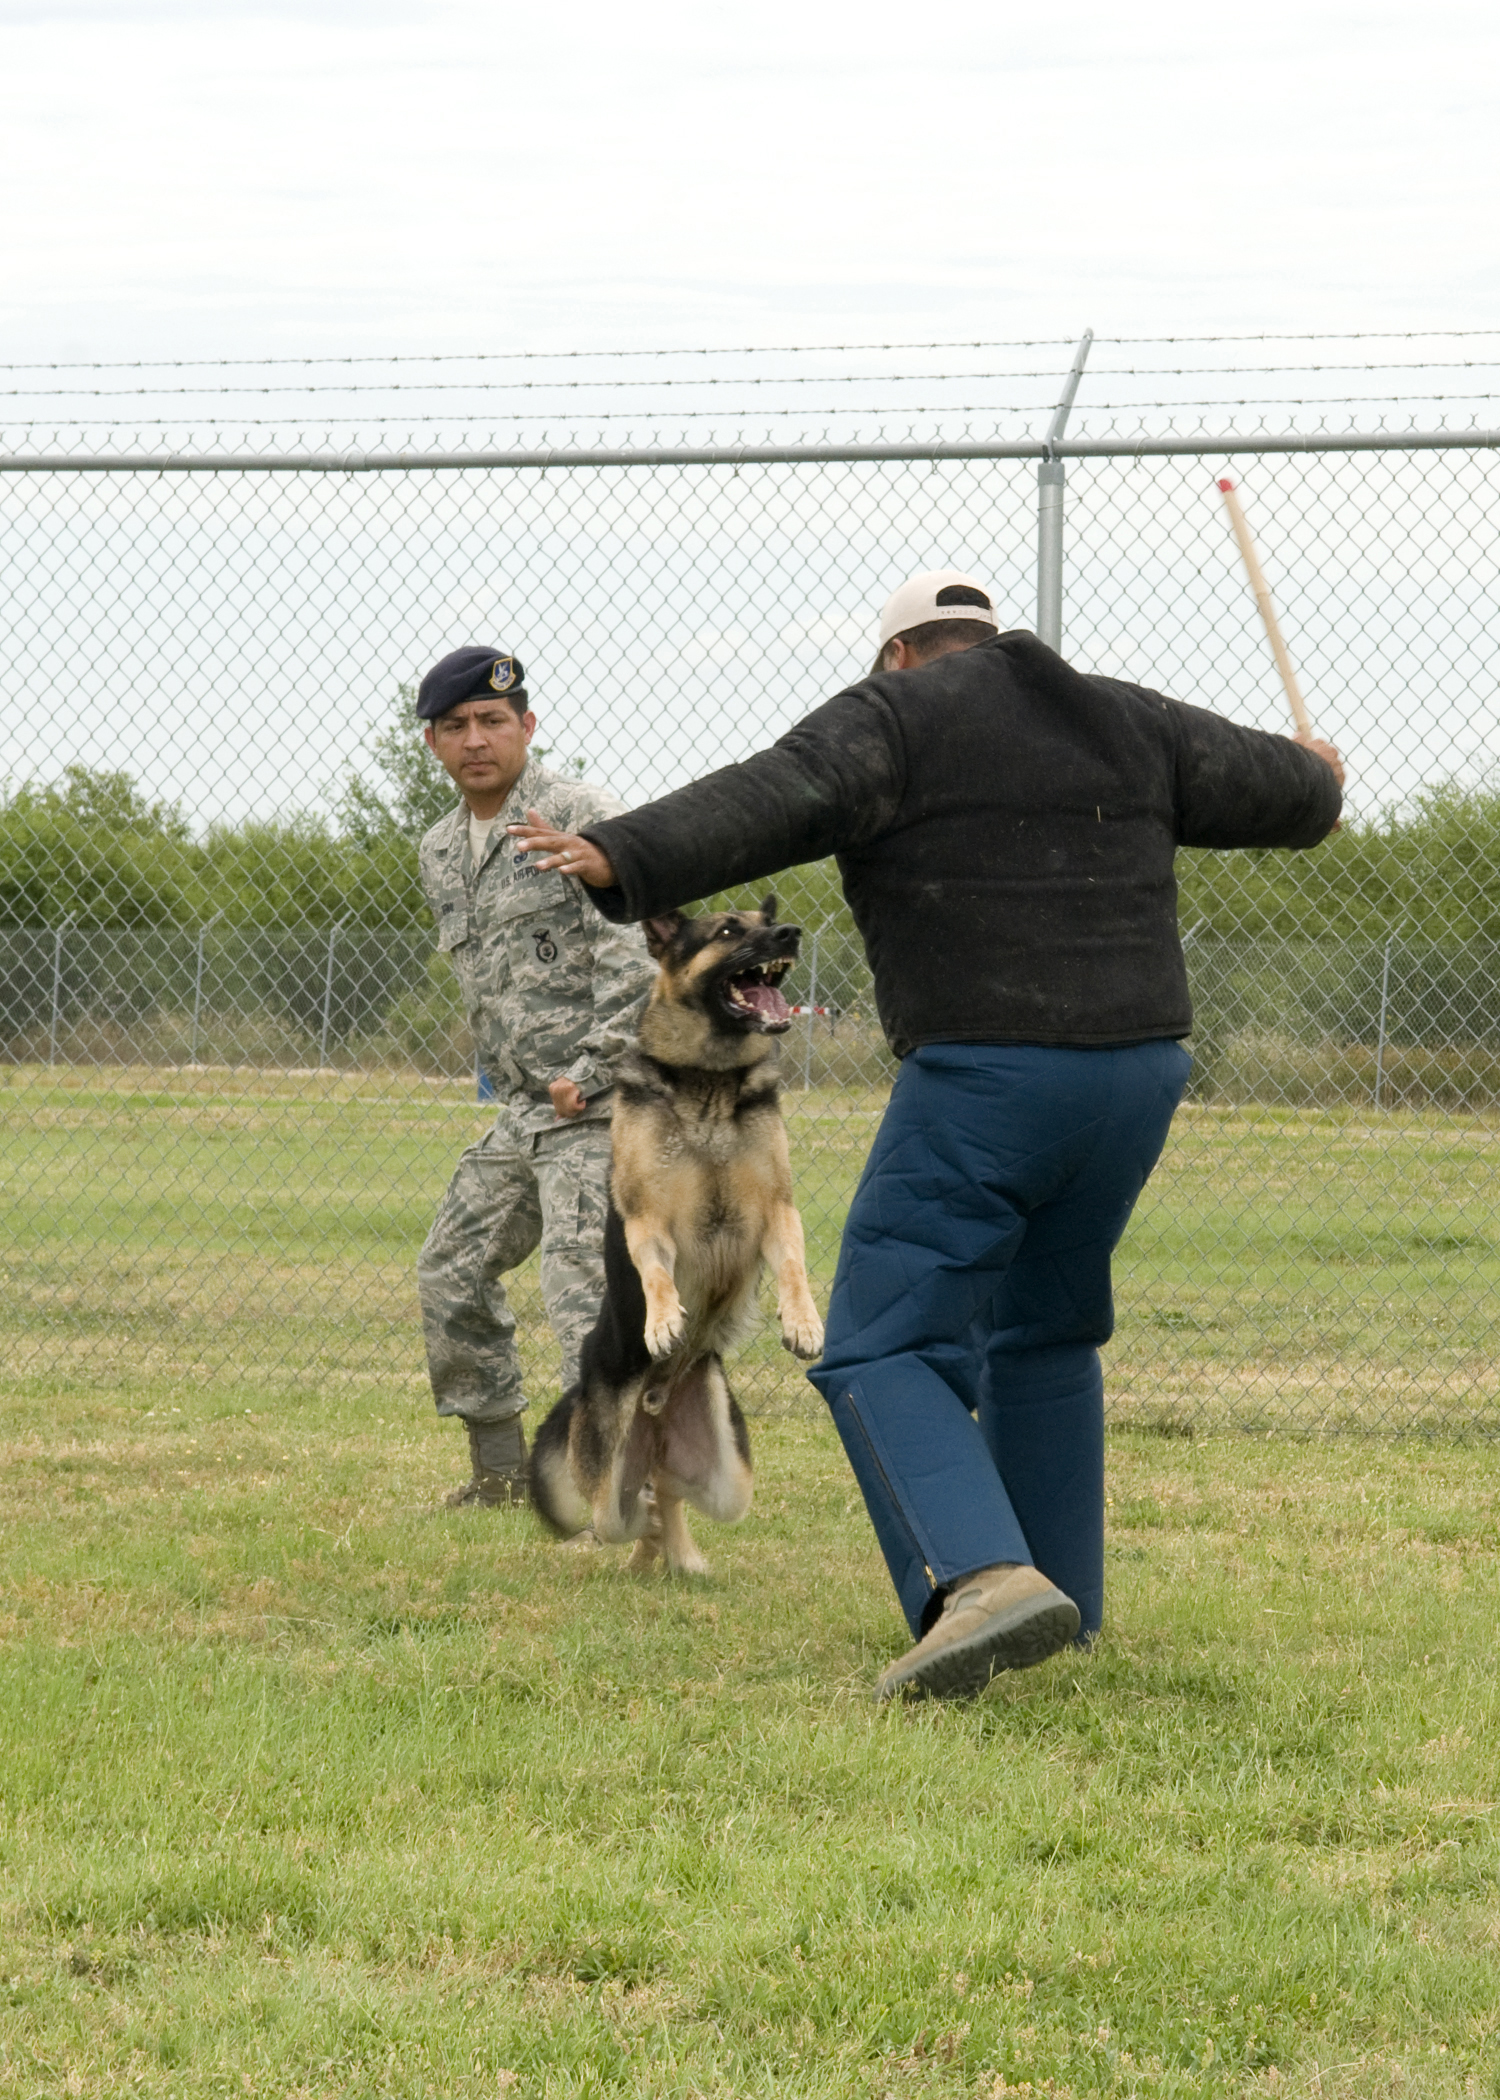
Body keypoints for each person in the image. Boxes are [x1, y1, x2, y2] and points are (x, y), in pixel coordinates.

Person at [509, 570, 1345, 1696]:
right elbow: (1286, 789)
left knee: (882, 1342)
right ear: (986, 638)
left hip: (992, 1072)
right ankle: (1063, 1606)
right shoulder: (1126, 715)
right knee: (1042, 1332)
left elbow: (778, 791)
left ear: (898, 655)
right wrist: (1318, 778)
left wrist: (624, 855)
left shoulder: (894, 717)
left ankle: (984, 1578)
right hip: (1141, 1072)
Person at [414, 645, 654, 1507]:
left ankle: (616, 1488)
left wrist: (590, 1072)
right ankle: (503, 1473)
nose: (476, 739)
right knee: (451, 1268)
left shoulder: (580, 817)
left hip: (596, 1105)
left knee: (581, 1294)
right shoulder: (443, 851)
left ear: (527, 727)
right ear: (433, 744)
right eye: (455, 726)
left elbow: (636, 953)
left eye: (492, 721)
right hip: (525, 1108)